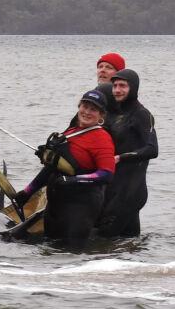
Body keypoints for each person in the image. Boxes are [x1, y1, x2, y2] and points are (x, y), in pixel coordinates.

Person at [11, 88, 117, 249]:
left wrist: (74, 180)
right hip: (55, 206)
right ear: (79, 106)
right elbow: (51, 170)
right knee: (49, 252)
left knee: (70, 257)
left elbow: (106, 174)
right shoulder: (70, 132)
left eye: (93, 109)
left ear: (101, 116)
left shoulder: (102, 138)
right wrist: (27, 191)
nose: (87, 112)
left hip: (80, 209)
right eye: (84, 106)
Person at [98, 69, 158, 238]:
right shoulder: (115, 115)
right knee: (130, 242)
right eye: (115, 85)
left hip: (131, 191)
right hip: (114, 189)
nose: (117, 90)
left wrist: (120, 157)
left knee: (105, 238)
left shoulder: (142, 114)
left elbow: (152, 149)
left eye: (122, 86)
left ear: (134, 88)